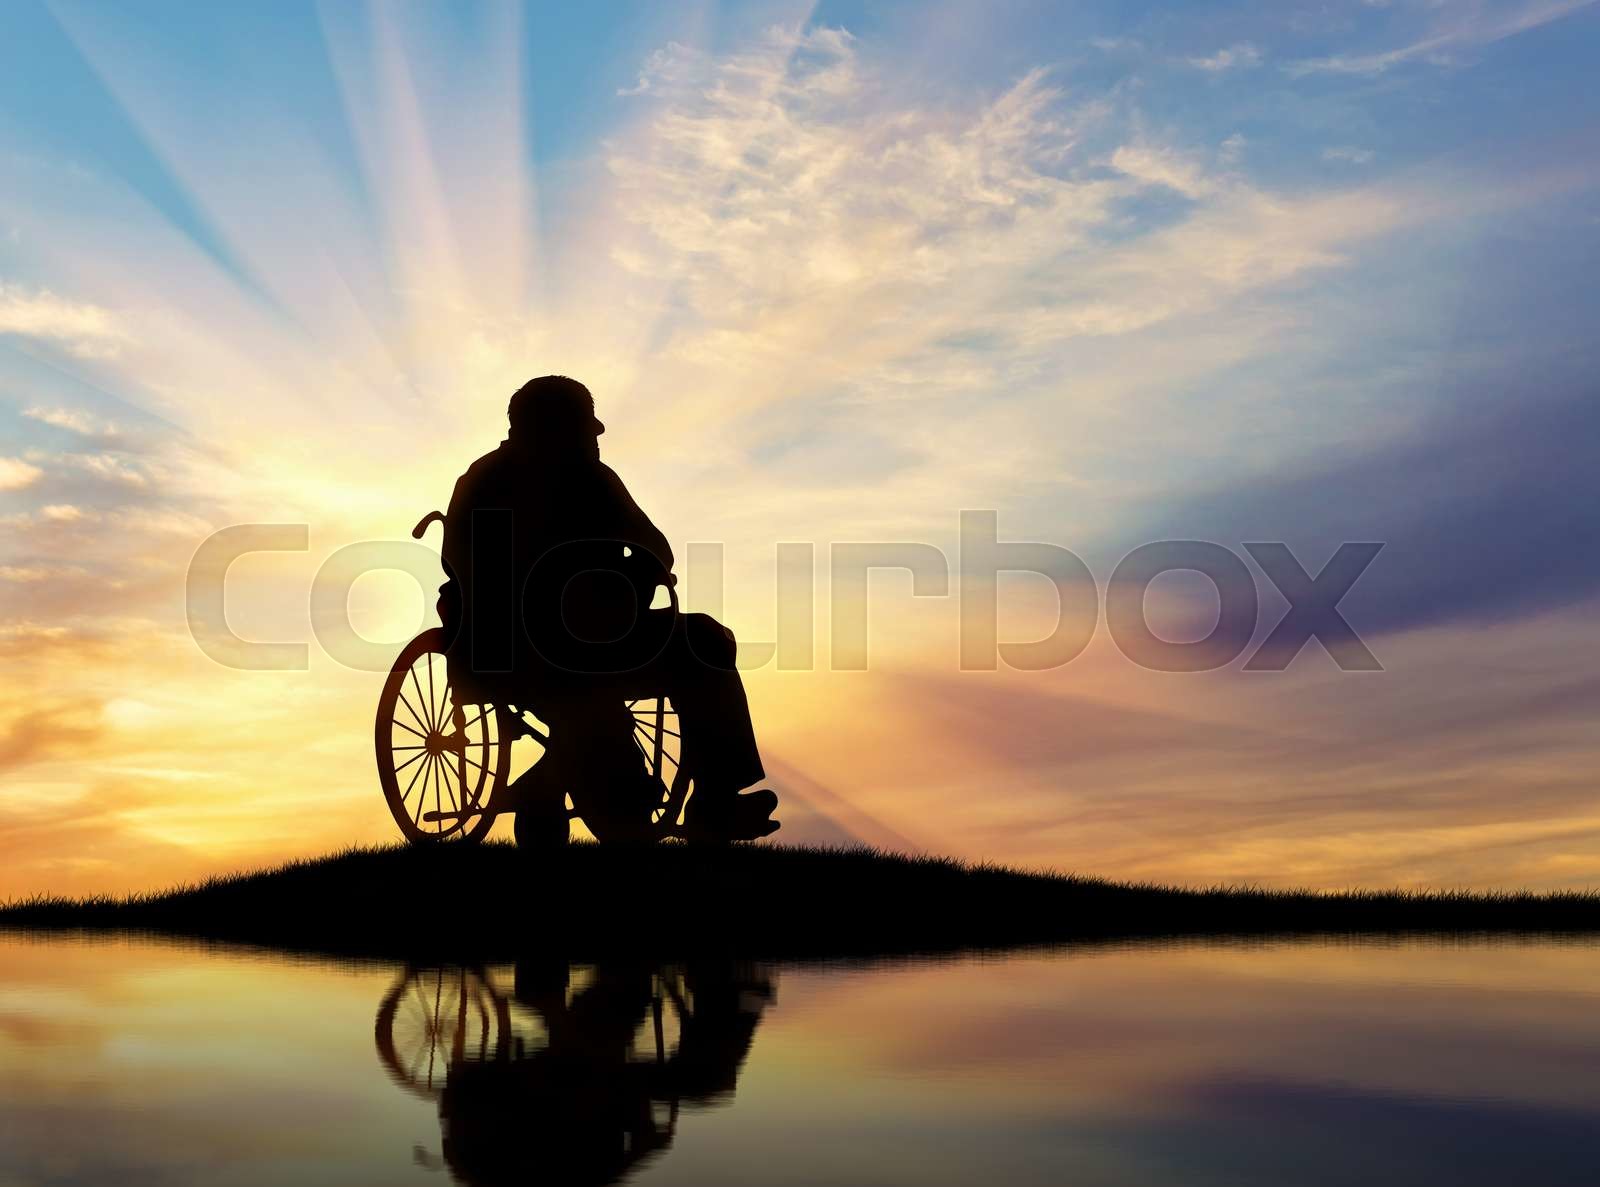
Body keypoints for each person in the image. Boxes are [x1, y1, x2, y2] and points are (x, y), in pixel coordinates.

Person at [439, 375, 778, 841]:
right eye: (582, 429)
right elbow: (464, 571)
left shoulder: (595, 478)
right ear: (547, 427)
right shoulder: (487, 481)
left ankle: (716, 799)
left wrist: (635, 583)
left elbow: (655, 546)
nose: (593, 439)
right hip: (517, 647)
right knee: (595, 717)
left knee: (703, 638)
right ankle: (569, 793)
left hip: (604, 633)